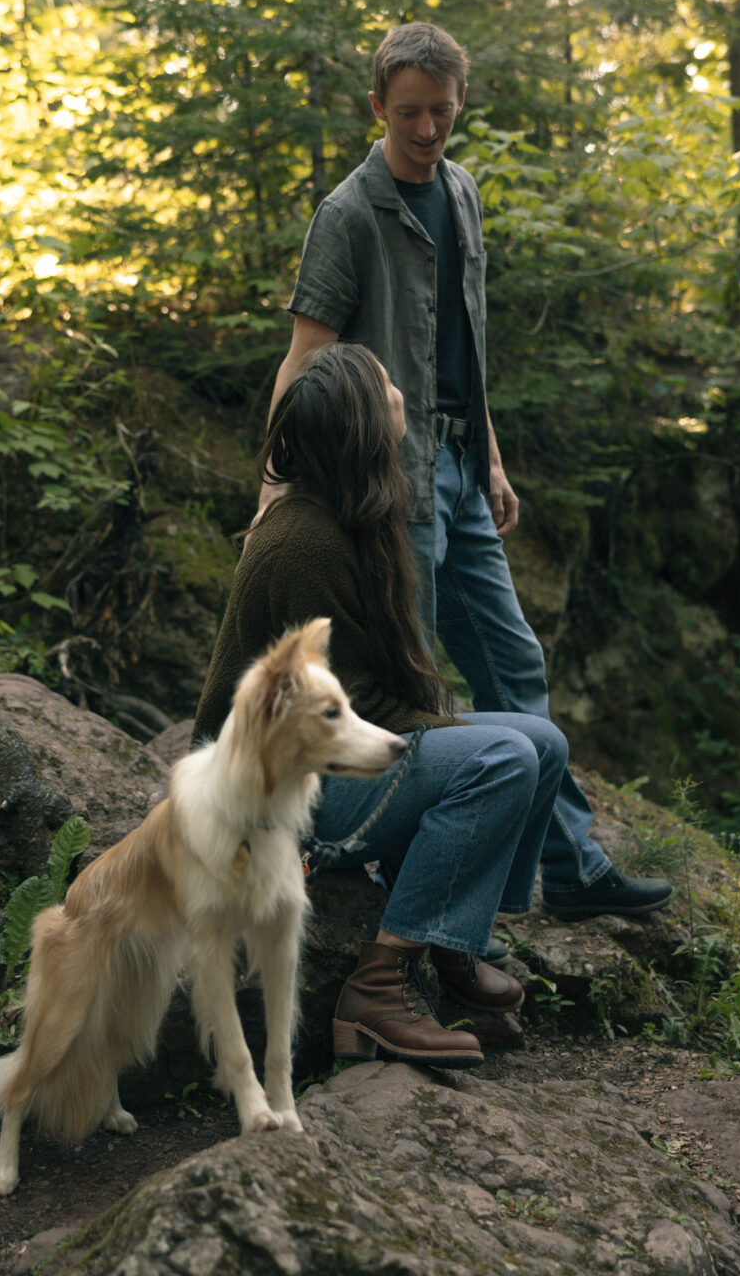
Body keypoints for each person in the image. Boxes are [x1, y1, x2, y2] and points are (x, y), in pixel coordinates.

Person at [256, 21, 671, 921]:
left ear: (459, 105)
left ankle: (567, 866)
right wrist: (273, 483)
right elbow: (305, 357)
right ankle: (412, 882)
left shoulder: (464, 193)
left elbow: (460, 344)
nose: (425, 130)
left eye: (440, 112)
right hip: (387, 475)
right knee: (415, 677)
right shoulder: (348, 214)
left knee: (514, 661)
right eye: (407, 113)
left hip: (458, 463)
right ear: (377, 107)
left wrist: (489, 457)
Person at [195, 344, 572, 1067]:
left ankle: (449, 941)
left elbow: (380, 690)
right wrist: (445, 735)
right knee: (499, 758)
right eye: (389, 385)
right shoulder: (302, 542)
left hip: (338, 757)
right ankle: (378, 988)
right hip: (274, 802)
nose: (403, 392)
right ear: (365, 422)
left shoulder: (353, 515)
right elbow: (327, 717)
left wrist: (438, 724)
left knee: (542, 743)